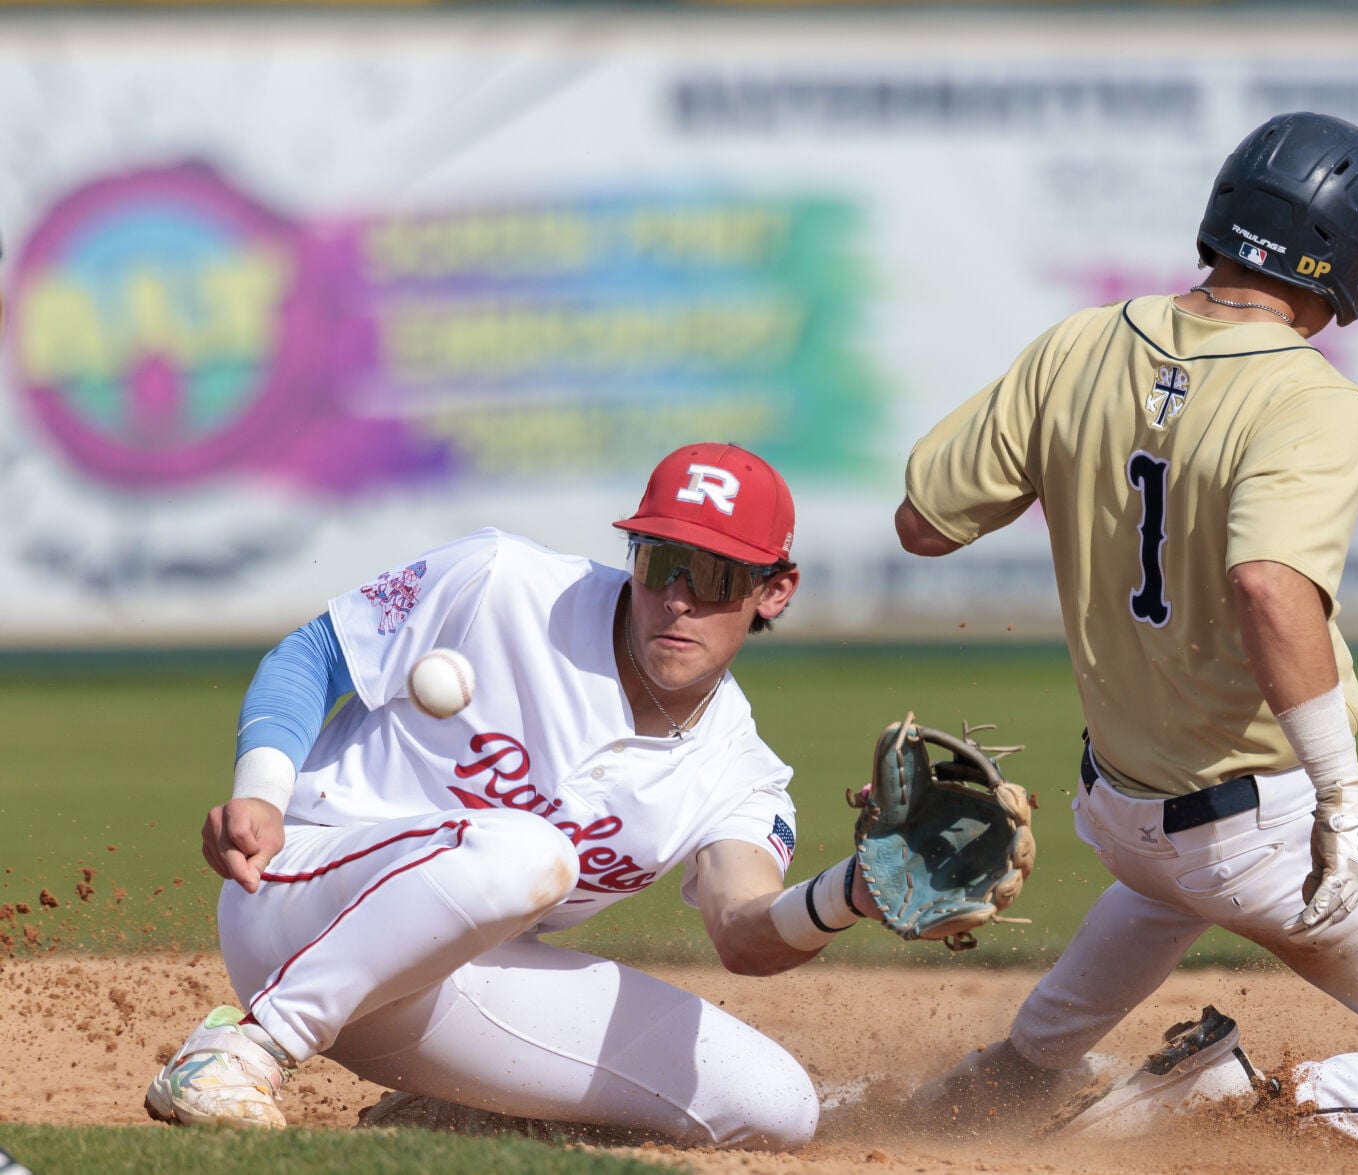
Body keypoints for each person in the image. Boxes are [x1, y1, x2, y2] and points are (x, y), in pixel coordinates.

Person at [895, 112, 1358, 1151]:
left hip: (1119, 804)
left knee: (1168, 878)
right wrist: (1340, 790)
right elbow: (1267, 588)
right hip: (1260, 828)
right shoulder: (1310, 397)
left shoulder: (1077, 343)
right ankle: (1251, 1099)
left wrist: (1097, 437)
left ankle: (1019, 1071)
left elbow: (921, 523)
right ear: (1353, 257)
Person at [145, 441, 885, 1148]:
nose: (679, 600)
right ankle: (239, 1052)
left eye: (716, 575)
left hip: (447, 992)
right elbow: (318, 652)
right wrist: (263, 791)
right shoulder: (501, 582)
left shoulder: (739, 770)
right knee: (530, 851)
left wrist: (854, 889)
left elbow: (745, 927)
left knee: (776, 1106)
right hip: (297, 904)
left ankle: (461, 1112)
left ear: (774, 590)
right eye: (661, 562)